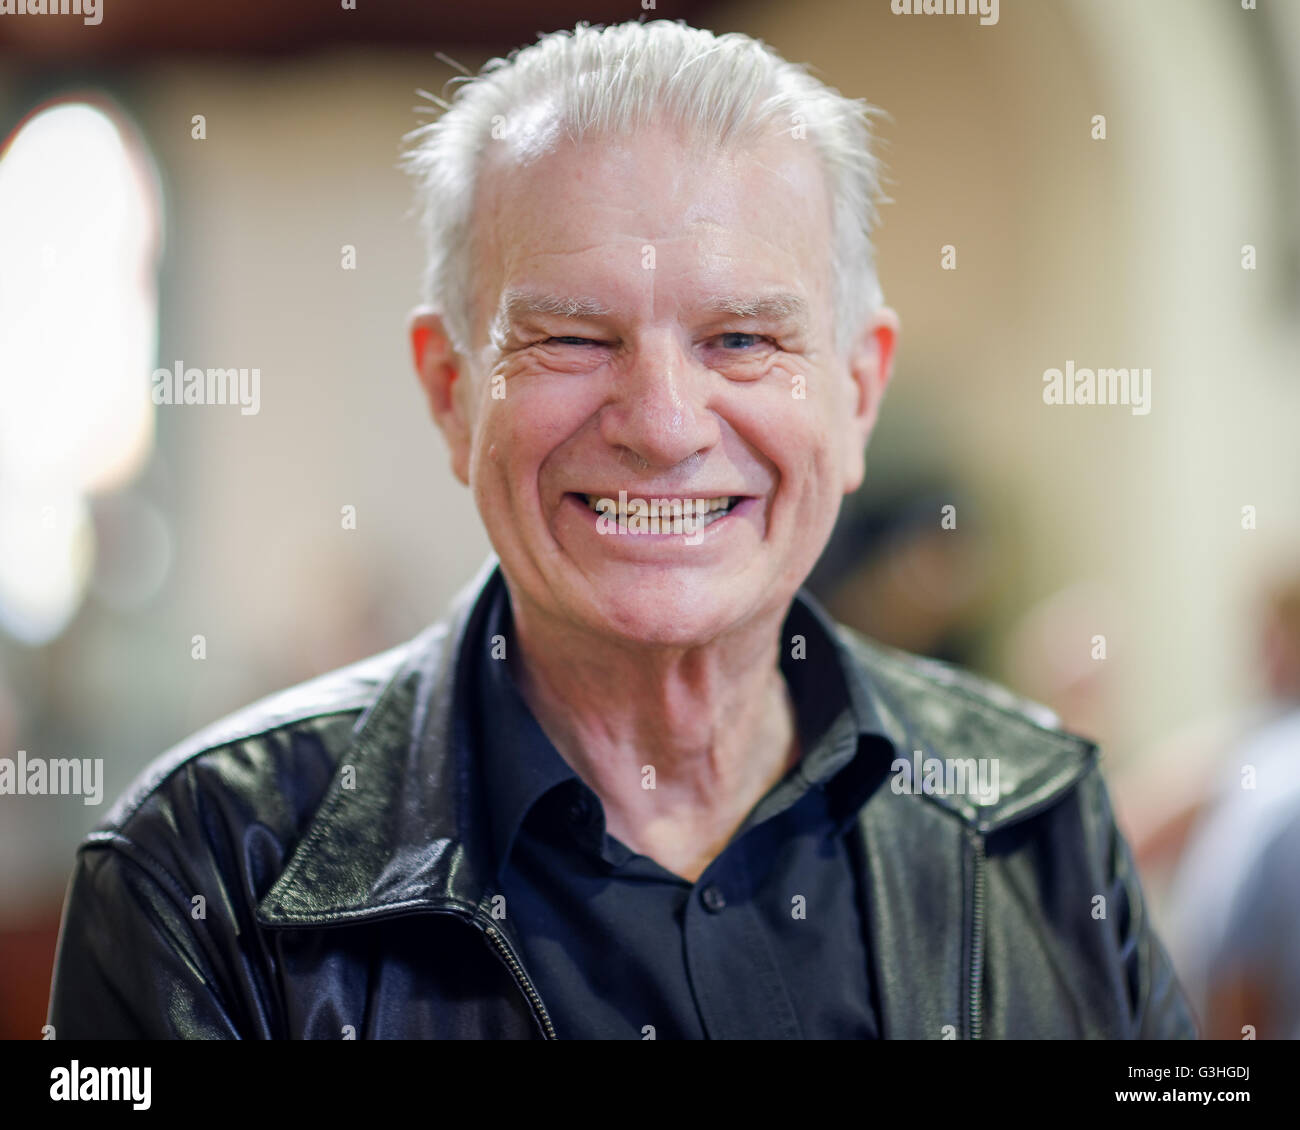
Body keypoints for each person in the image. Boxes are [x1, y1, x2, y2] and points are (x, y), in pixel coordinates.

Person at [46, 19, 1195, 1039]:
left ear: (855, 392)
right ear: (452, 393)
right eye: (572, 339)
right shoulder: (201, 871)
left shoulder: (1040, 804)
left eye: (741, 339)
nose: (659, 423)